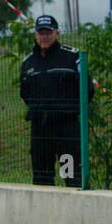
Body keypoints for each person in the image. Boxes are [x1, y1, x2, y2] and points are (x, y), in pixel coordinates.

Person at [20, 15, 92, 188]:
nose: (44, 36)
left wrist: (68, 109)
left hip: (66, 131)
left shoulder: (71, 57)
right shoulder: (28, 63)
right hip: (41, 131)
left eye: (48, 32)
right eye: (41, 32)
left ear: (57, 34)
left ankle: (75, 212)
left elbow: (87, 89)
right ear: (35, 35)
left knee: (72, 176)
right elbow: (25, 94)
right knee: (42, 178)